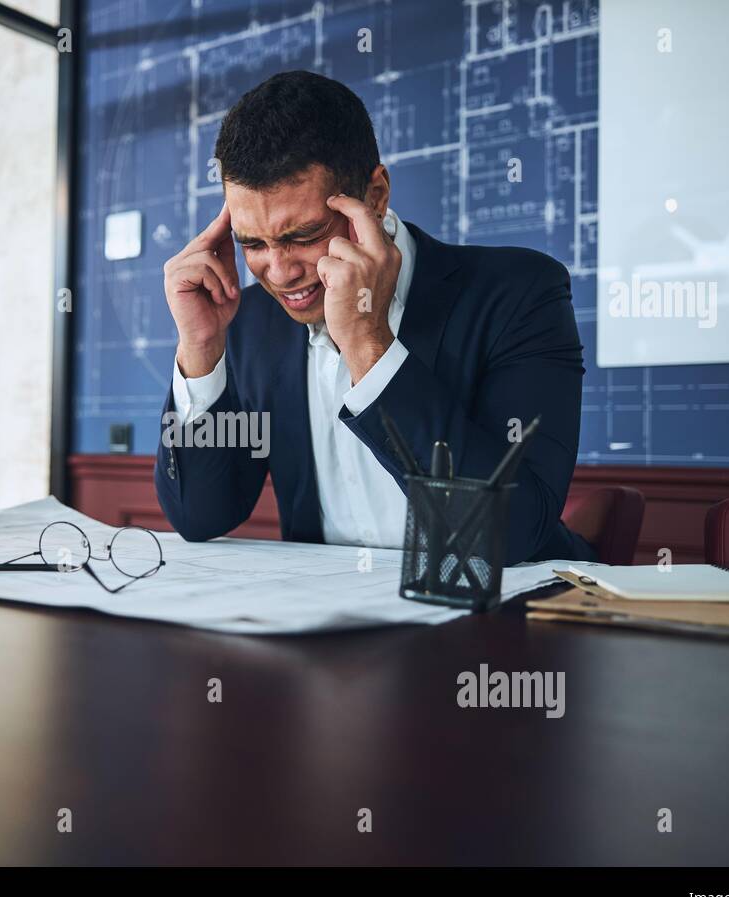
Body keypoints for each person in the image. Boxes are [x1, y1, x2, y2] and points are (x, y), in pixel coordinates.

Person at [154, 70, 596, 564]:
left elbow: (509, 533)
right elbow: (201, 515)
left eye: (303, 235)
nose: (277, 272)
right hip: (327, 624)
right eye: (252, 243)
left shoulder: (518, 293)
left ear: (376, 195)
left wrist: (368, 345)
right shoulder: (250, 320)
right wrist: (200, 350)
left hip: (506, 616)